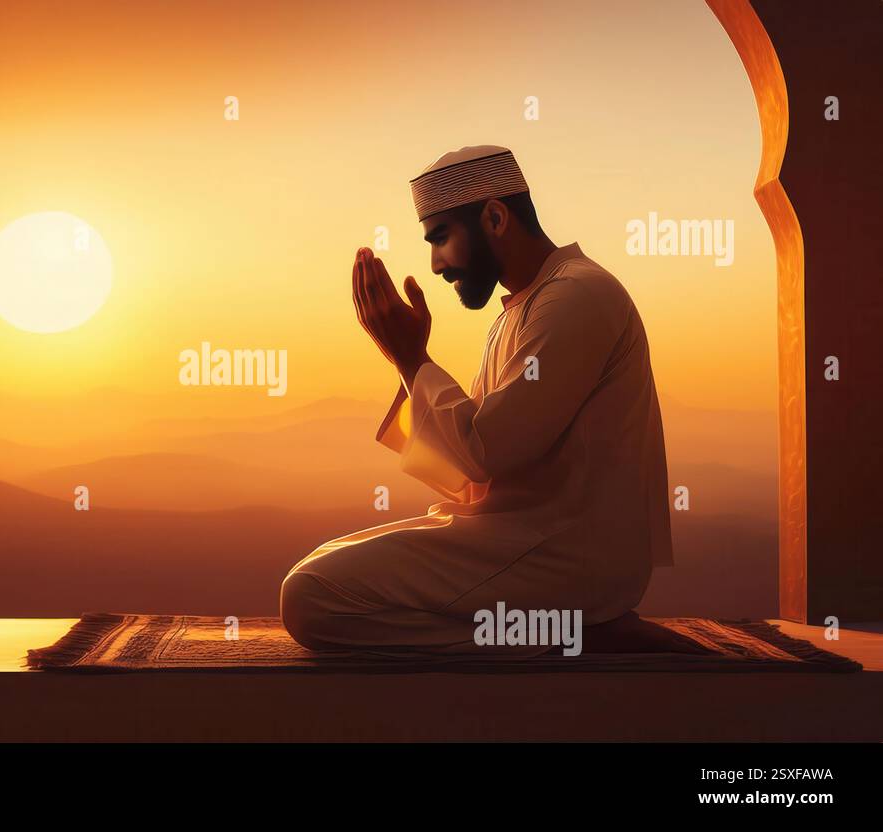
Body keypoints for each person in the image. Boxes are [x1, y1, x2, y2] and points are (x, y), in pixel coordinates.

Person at [280, 145, 672, 654]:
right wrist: (406, 361)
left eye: (441, 237)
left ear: (493, 216)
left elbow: (488, 450)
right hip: (516, 539)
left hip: (564, 558)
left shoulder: (578, 295)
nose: (436, 263)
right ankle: (559, 631)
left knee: (312, 596)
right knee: (322, 562)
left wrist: (411, 357)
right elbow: (467, 473)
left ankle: (569, 630)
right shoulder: (521, 310)